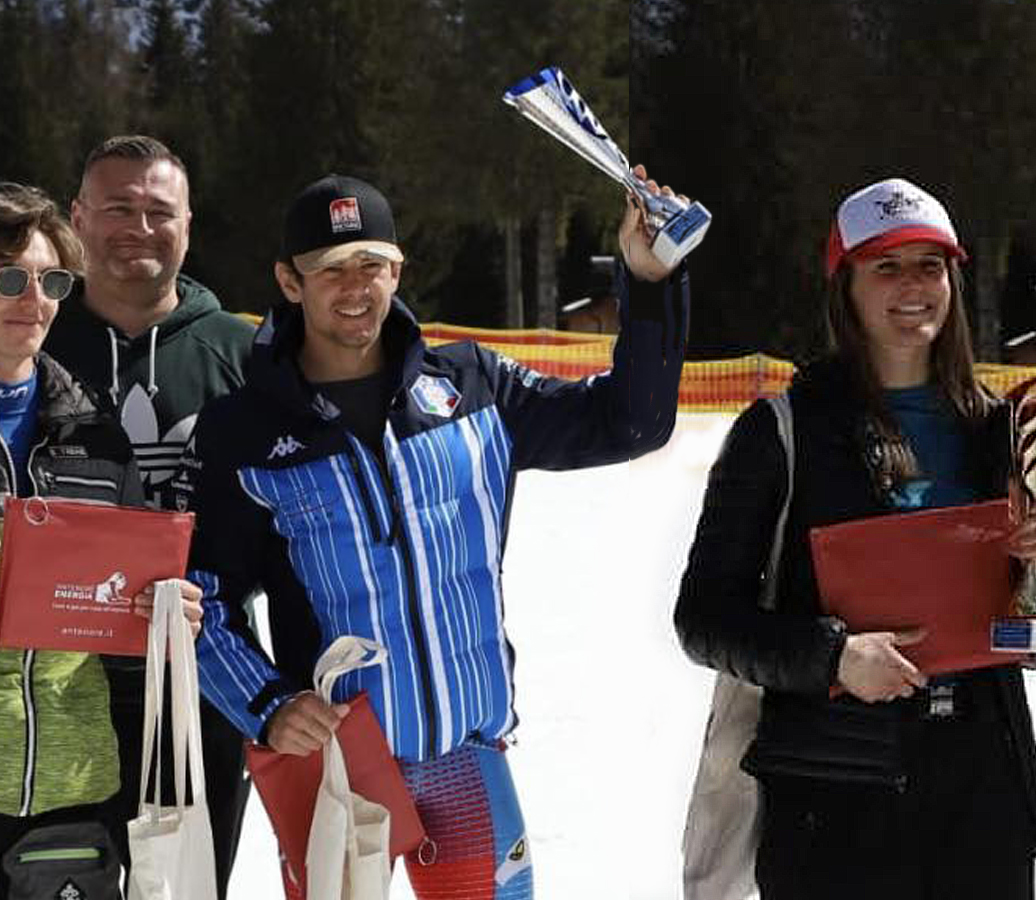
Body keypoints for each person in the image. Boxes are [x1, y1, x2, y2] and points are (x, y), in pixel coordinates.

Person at [179, 169, 689, 898]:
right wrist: (266, 704)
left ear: (398, 270)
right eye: (331, 269)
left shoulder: (472, 388)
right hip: (339, 770)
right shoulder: (244, 431)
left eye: (372, 264)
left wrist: (649, 281)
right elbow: (204, 596)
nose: (356, 287)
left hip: (467, 757)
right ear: (290, 282)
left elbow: (631, 423)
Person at [674, 177, 1036, 899]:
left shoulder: (998, 428)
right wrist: (834, 657)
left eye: (930, 265)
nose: (912, 286)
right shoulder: (781, 432)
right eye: (886, 267)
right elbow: (703, 620)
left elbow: (1033, 644)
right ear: (845, 287)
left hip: (981, 799)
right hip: (834, 807)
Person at [41, 135, 255, 898]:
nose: (139, 227)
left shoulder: (247, 353)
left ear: (188, 224)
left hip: (201, 691)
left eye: (159, 211)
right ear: (78, 218)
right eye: (117, 208)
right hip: (55, 696)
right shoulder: (32, 334)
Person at [0, 182, 202, 897]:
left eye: (52, 281)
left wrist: (165, 615)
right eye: (10, 279)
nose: (34, 300)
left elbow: (122, 618)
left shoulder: (97, 437)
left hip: (74, 790)